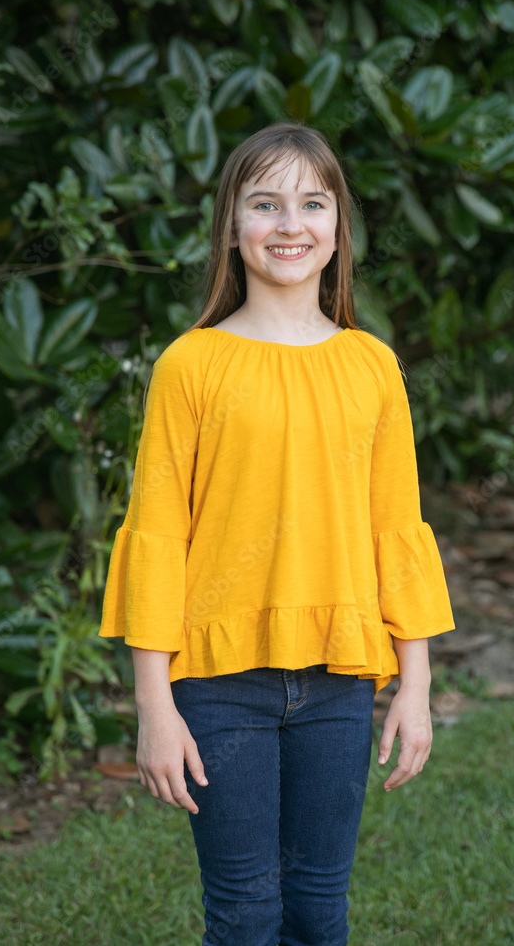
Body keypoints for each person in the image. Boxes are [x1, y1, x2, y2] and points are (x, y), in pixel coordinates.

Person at [98, 121, 456, 946]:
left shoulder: (371, 365)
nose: (288, 223)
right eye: (264, 203)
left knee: (318, 911)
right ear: (232, 225)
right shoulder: (190, 365)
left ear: (337, 229)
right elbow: (156, 535)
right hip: (218, 685)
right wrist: (153, 704)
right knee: (245, 913)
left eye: (311, 203)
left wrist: (415, 683)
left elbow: (394, 528)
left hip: (339, 682)